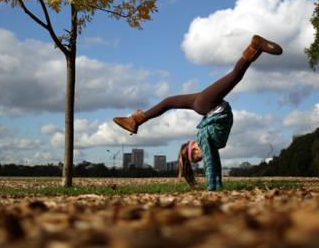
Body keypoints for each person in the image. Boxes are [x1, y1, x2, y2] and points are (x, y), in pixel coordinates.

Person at [112, 35, 282, 190]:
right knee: (169, 102)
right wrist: (218, 185)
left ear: (194, 150)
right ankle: (135, 121)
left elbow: (210, 163)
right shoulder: (207, 141)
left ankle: (255, 45)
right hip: (207, 108)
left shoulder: (202, 139)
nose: (200, 159)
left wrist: (211, 188)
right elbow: (215, 162)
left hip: (208, 106)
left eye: (196, 158)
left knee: (234, 76)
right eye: (198, 160)